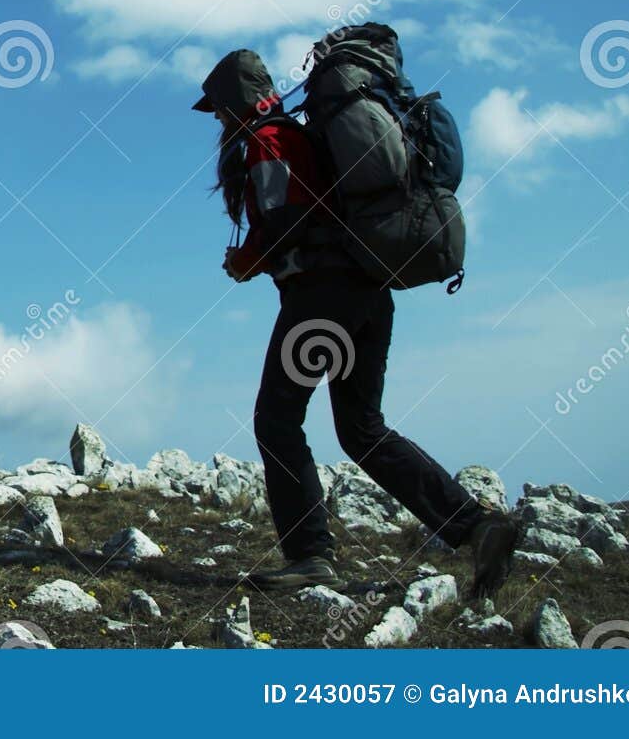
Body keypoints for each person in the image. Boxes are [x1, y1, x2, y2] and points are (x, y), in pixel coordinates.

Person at [193, 47, 520, 597]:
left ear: (235, 101)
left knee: (276, 422)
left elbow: (284, 221)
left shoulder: (270, 139)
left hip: (320, 299)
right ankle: (475, 524)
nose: (219, 120)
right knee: (362, 429)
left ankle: (309, 557)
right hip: (367, 292)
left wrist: (246, 260)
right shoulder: (303, 134)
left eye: (220, 109)